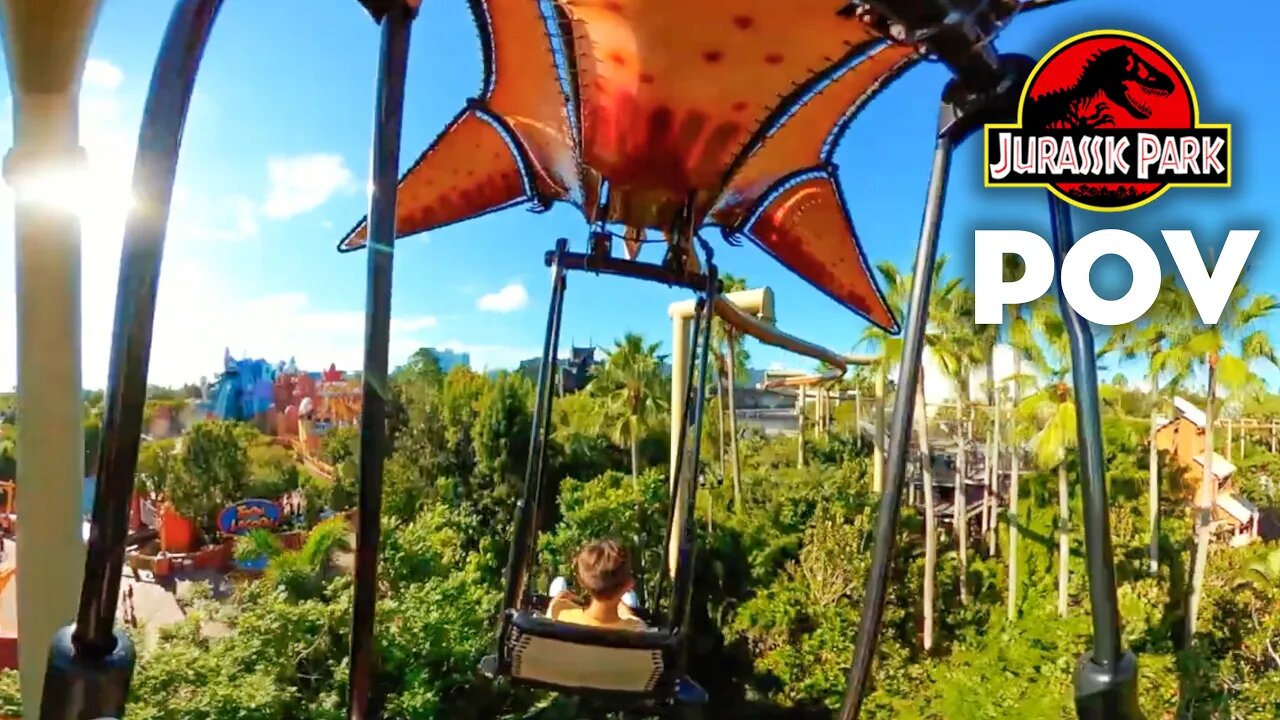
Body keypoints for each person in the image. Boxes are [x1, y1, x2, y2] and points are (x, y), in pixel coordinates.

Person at [550, 538, 645, 630]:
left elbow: (548, 619)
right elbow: (634, 622)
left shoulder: (561, 617)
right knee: (630, 600)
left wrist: (554, 604)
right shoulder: (637, 631)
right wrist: (624, 608)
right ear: (629, 584)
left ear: (581, 581)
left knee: (559, 584)